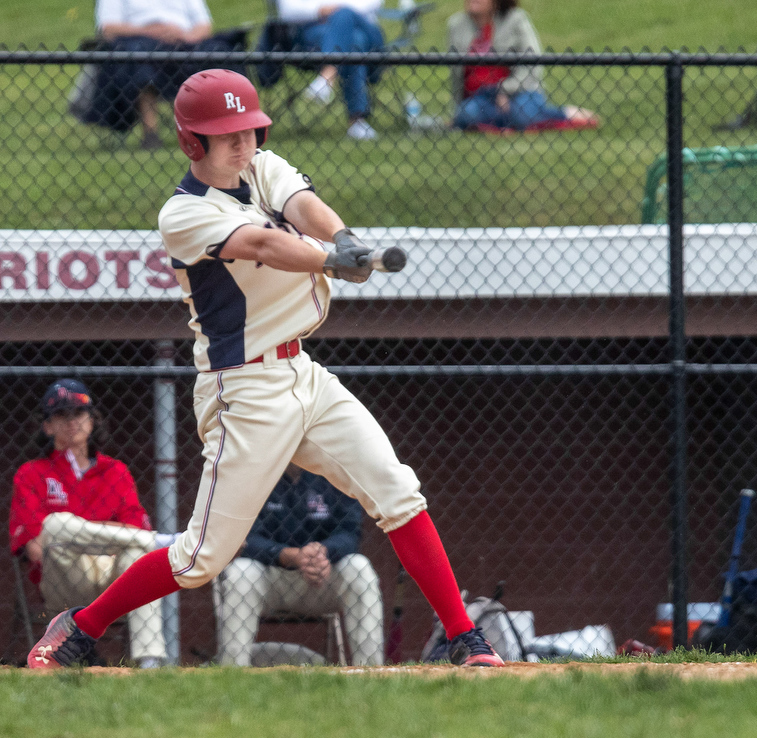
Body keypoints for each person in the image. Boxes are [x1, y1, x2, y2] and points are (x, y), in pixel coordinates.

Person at [27, 69, 503, 671]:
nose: (243, 144)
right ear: (190, 144)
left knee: (398, 491)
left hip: (302, 371)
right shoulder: (182, 213)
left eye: (249, 130)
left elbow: (303, 205)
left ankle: (465, 638)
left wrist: (344, 237)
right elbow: (263, 245)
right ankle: (81, 625)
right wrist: (331, 259)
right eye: (226, 136)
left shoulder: (262, 164)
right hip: (243, 390)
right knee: (200, 559)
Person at [10, 379, 178, 668]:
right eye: (61, 414)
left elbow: (135, 528)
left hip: (111, 578)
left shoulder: (116, 471)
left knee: (136, 555)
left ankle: (150, 666)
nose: (72, 421)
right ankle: (161, 541)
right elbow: (37, 550)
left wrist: (94, 538)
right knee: (56, 525)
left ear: (92, 420)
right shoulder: (31, 473)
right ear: (47, 426)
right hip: (62, 578)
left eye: (79, 412)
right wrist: (105, 536)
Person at [215, 464, 384, 666]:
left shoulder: (336, 470)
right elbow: (247, 539)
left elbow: (350, 532)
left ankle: (371, 671)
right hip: (270, 577)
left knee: (359, 568)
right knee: (240, 572)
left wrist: (323, 552)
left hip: (323, 577)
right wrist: (290, 556)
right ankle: (232, 671)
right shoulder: (256, 470)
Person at [84, 0, 241, 149]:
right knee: (139, 56)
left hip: (185, 43)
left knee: (221, 49)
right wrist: (150, 32)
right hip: (140, 43)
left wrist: (186, 37)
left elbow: (204, 25)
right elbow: (108, 28)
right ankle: (151, 133)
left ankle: (227, 127)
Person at [447, 0, 597, 132]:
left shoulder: (515, 19)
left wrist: (504, 90)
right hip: (481, 97)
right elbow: (457, 74)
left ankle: (564, 113)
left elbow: (532, 63)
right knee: (467, 114)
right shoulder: (456, 25)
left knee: (521, 114)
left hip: (518, 91)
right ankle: (505, 122)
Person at [267, 0, 386, 140]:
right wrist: (321, 10)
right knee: (354, 43)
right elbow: (288, 10)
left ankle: (327, 75)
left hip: (365, 28)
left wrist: (338, 10)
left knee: (345, 15)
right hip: (315, 32)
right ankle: (357, 120)